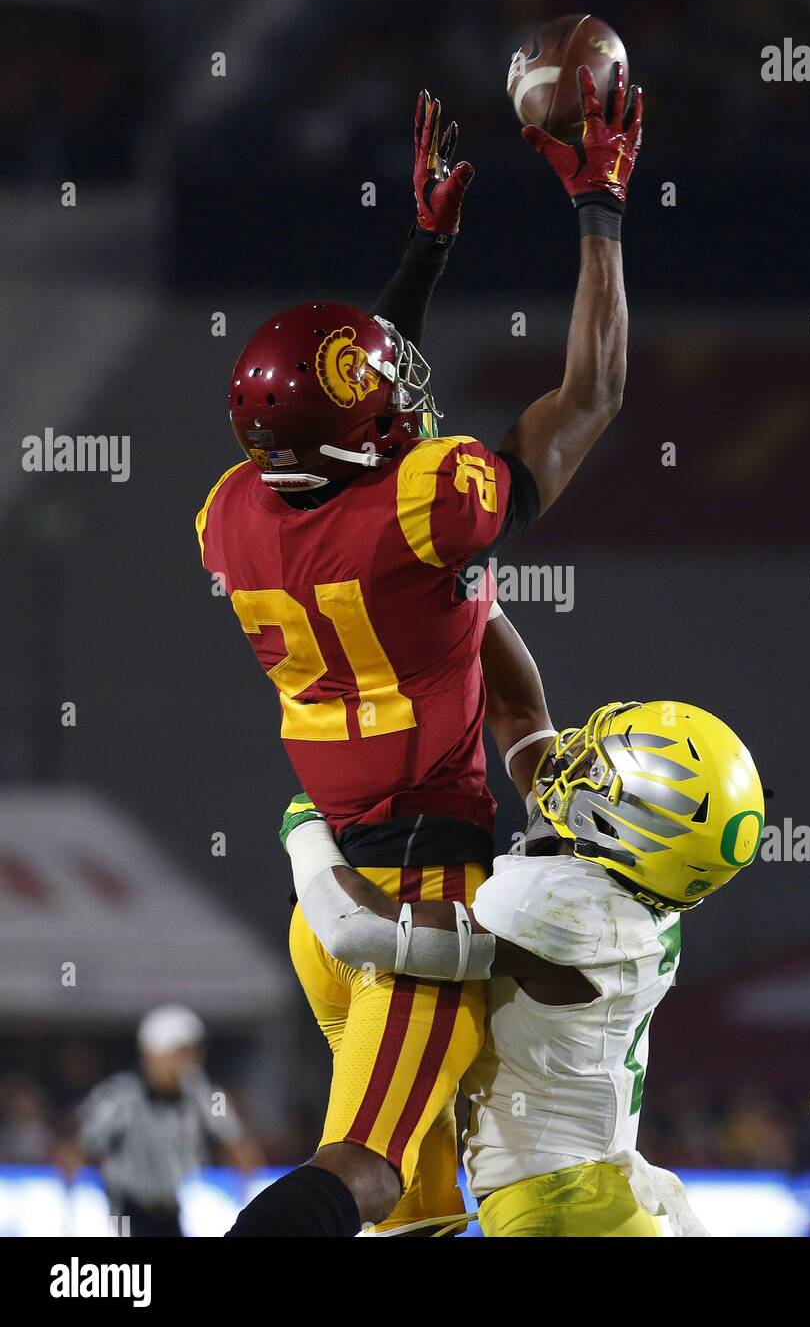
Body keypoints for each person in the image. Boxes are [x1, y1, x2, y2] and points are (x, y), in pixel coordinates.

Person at [202, 68, 643, 1238]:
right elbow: (590, 394)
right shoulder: (428, 505)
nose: (406, 399)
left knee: (422, 1217)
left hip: (329, 881)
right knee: (371, 1170)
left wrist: (423, 253)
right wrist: (598, 206)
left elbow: (343, 413)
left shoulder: (231, 511)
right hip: (418, 888)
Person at [282, 698, 765, 1237]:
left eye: (597, 768)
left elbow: (359, 930)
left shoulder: (567, 915)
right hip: (587, 1199)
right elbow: (522, 716)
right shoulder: (633, 885)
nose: (571, 760)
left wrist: (305, 831)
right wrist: (478, 617)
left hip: (563, 1210)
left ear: (625, 817)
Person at [77, 1005, 256, 1237]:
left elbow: (238, 1145)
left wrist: (250, 1200)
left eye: (192, 1053)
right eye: (180, 1054)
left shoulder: (203, 1094)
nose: (188, 1063)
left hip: (173, 1209)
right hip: (125, 1210)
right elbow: (77, 1148)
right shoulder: (120, 1097)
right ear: (153, 1054)